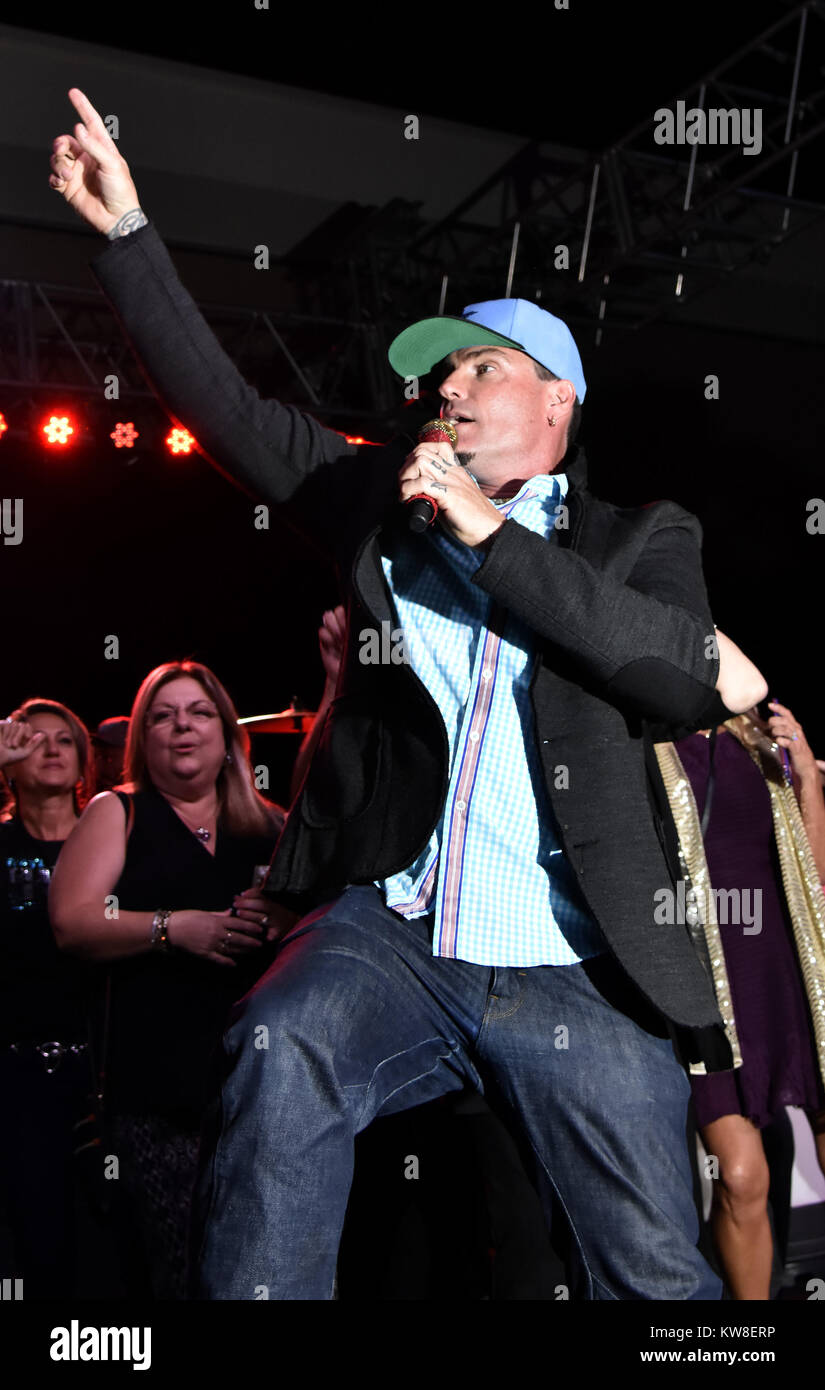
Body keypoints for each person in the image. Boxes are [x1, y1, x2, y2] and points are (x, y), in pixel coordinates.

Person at [49, 88, 766, 1301]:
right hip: (401, 938)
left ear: (557, 401)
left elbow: (670, 670)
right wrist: (130, 237)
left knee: (655, 1276)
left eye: (483, 367)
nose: (451, 388)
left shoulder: (640, 536)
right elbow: (233, 412)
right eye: (440, 376)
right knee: (285, 1041)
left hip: (574, 967)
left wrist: (488, 532)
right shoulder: (385, 508)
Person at [49, 661, 288, 1298]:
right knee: (185, 1271)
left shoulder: (271, 824)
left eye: (200, 712)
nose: (183, 726)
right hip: (158, 1096)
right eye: (164, 714)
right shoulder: (118, 811)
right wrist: (172, 927)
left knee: (279, 1262)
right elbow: (74, 920)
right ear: (143, 738)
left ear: (229, 733)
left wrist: (285, 916)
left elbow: (330, 925)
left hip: (263, 1093)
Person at [656, 699, 825, 1299]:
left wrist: (805, 776)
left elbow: (812, 880)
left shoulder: (752, 740)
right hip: (706, 994)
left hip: (789, 979)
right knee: (741, 1176)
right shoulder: (637, 747)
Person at [0, 699, 98, 1298]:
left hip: (105, 1067)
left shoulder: (114, 837)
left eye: (65, 740)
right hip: (17, 1070)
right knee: (39, 1241)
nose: (52, 749)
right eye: (34, 740)